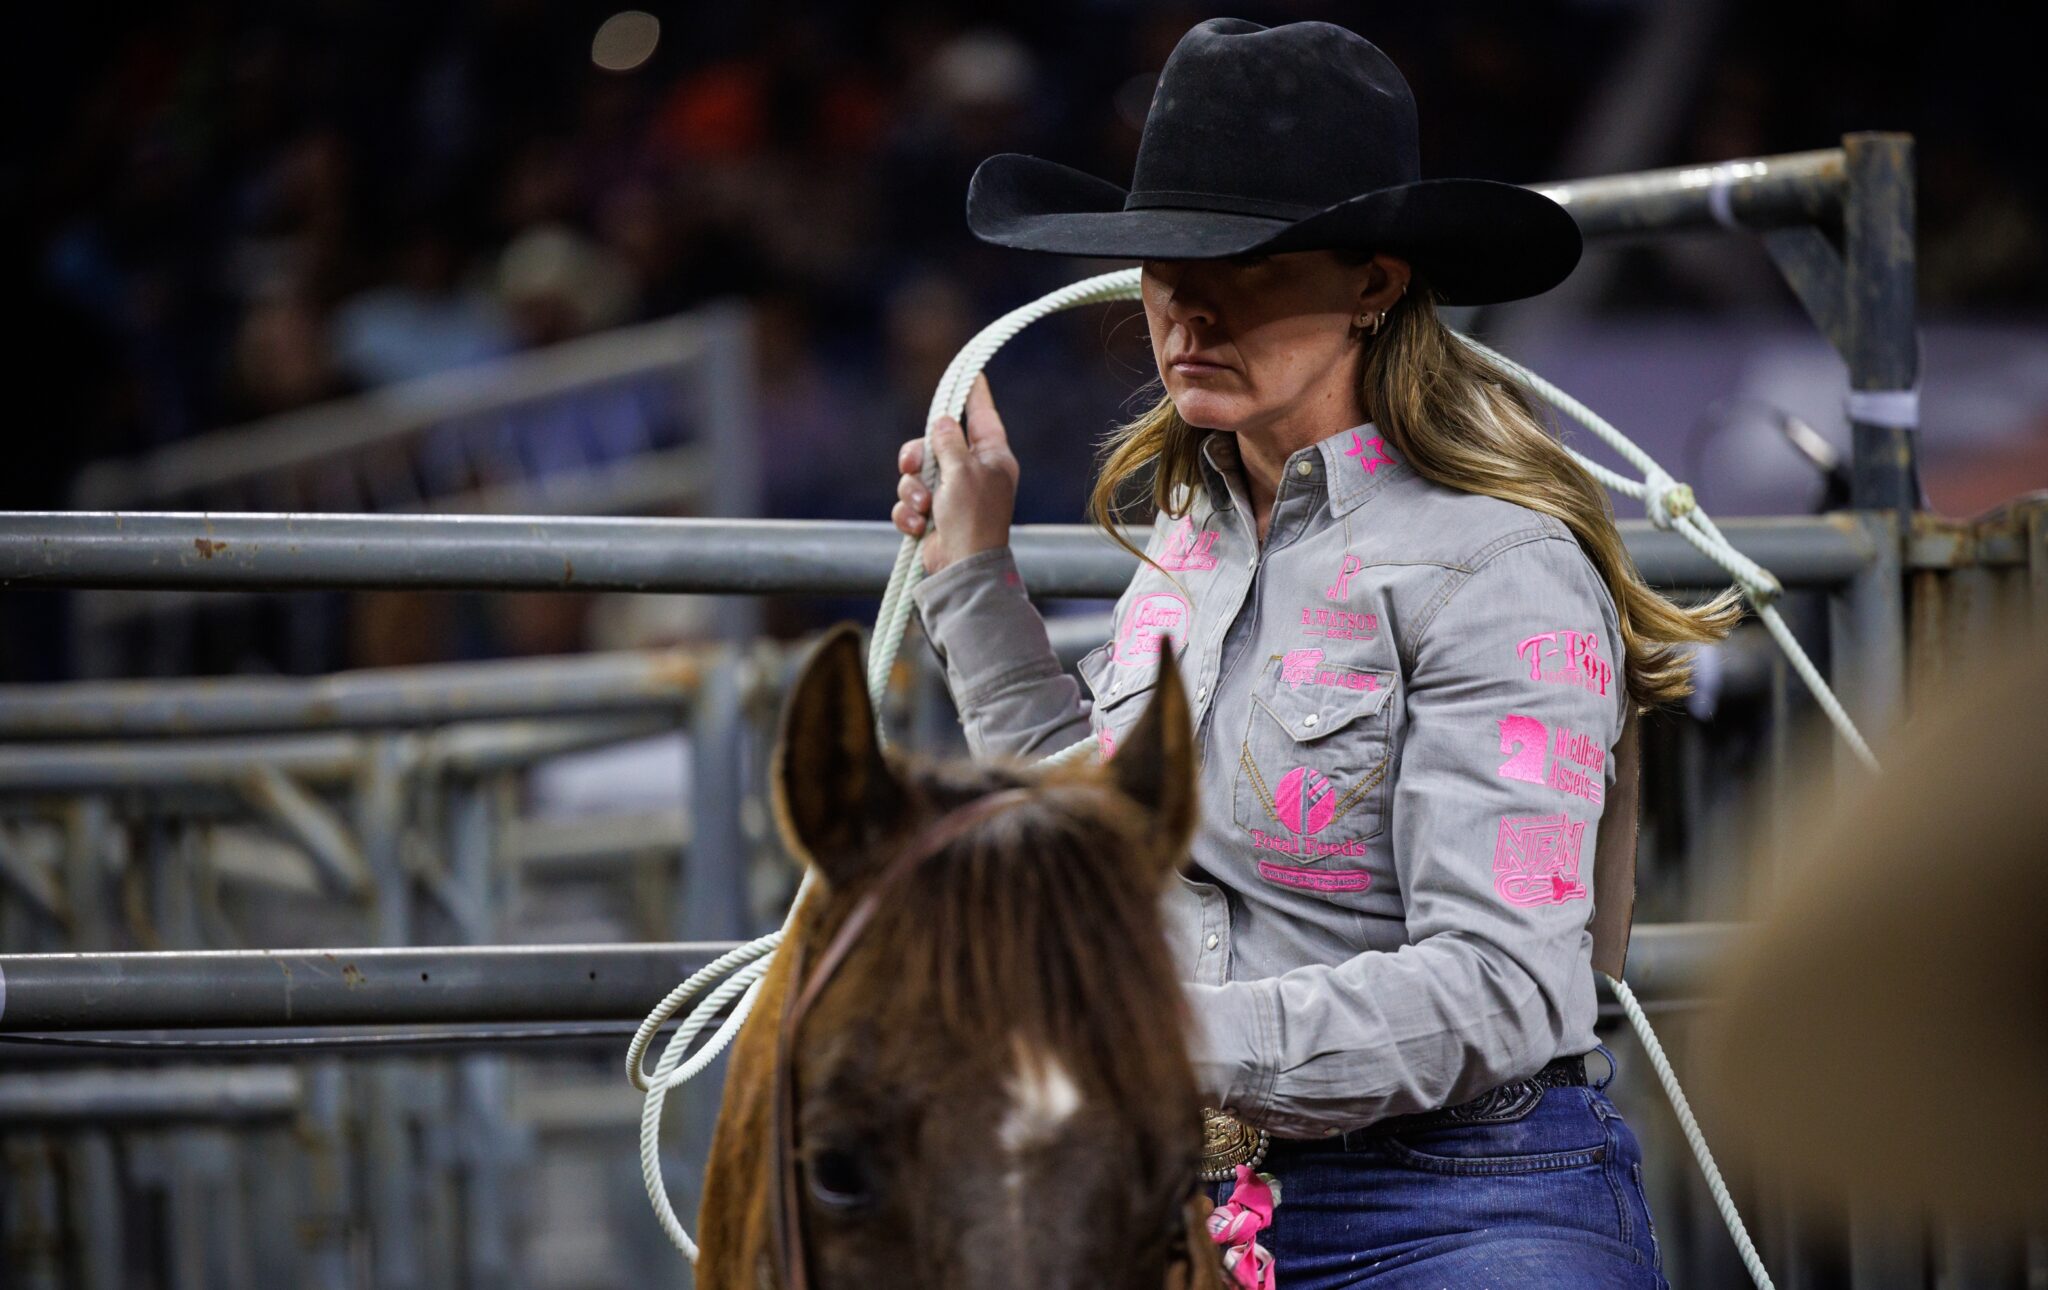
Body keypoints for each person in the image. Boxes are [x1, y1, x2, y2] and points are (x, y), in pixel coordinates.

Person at [894, 19, 1733, 1289]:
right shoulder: (1193, 538)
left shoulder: (1499, 567)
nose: (1187, 305)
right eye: (1164, 262)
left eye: (1247, 257)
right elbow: (1105, 837)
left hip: (1462, 1198)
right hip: (1179, 1190)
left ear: (1374, 283)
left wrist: (1140, 1033)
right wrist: (968, 573)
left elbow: (1503, 985)